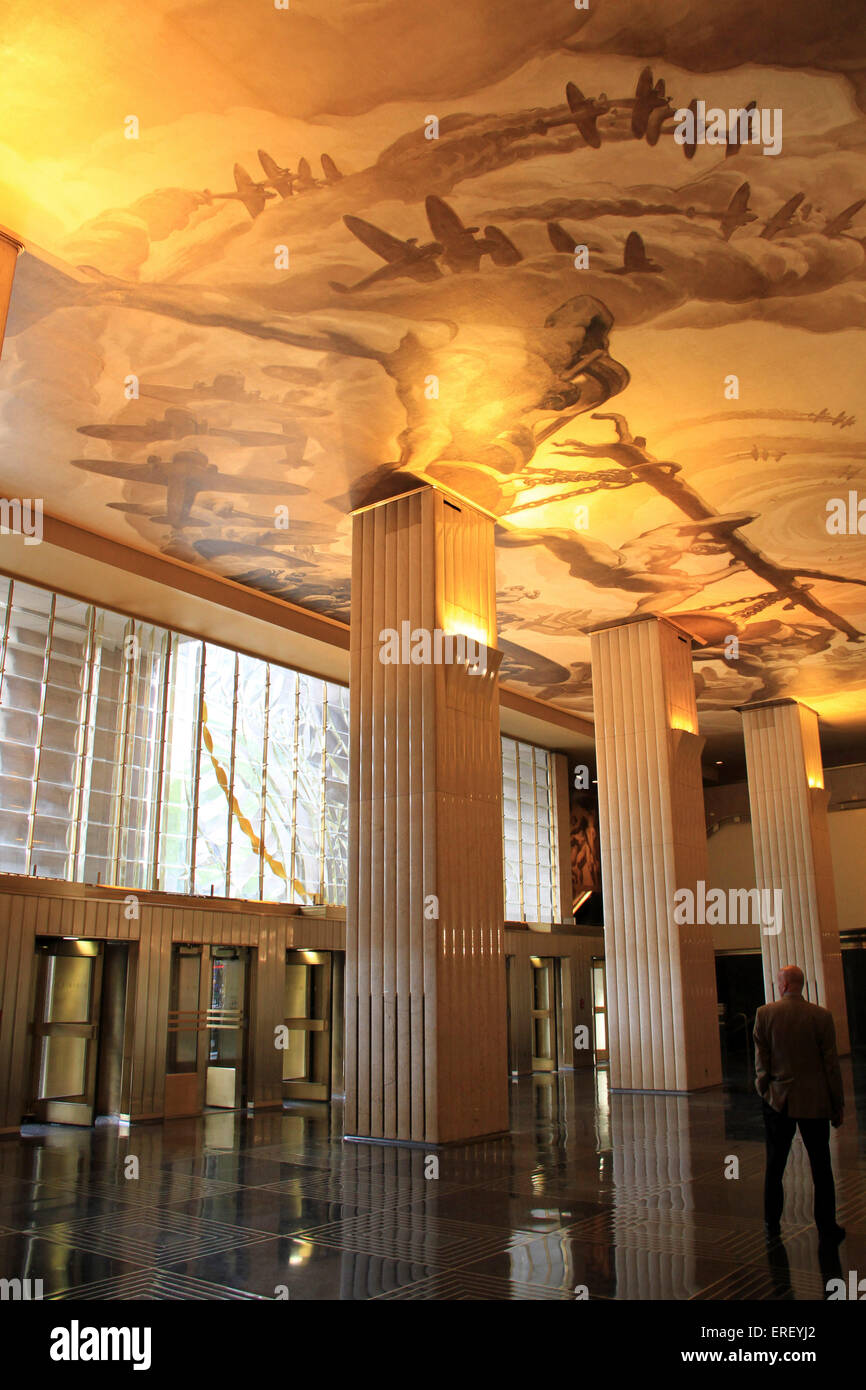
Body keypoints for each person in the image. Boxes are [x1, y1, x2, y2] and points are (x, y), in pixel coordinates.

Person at [753, 964, 845, 1244]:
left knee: (775, 1167)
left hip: (779, 1101)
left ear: (783, 985)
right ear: (801, 985)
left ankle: (772, 1227)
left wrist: (765, 1089)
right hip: (815, 1102)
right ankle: (827, 1226)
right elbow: (831, 1065)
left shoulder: (765, 1014)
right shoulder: (822, 1016)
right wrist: (836, 1103)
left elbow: (761, 1059)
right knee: (821, 1167)